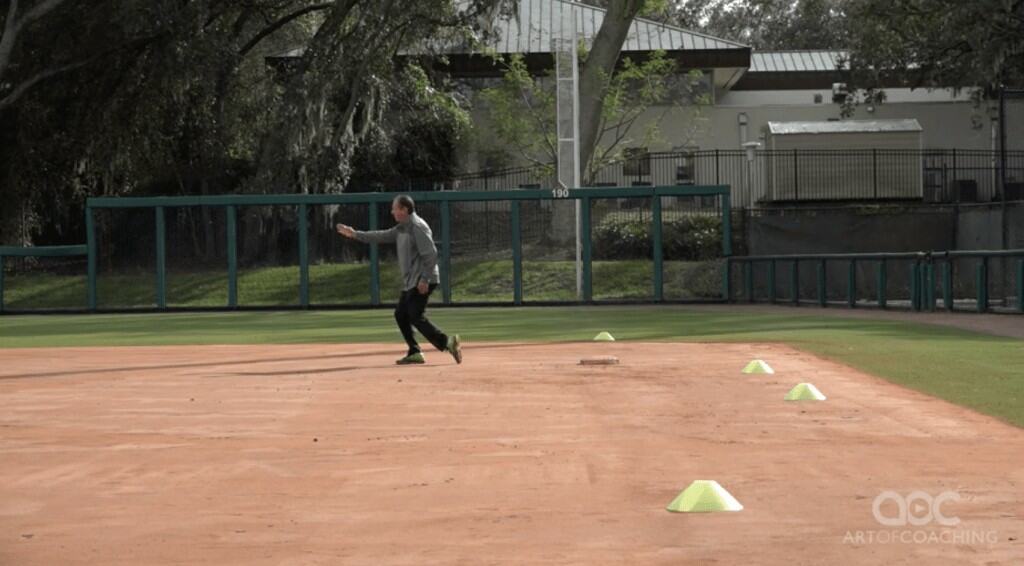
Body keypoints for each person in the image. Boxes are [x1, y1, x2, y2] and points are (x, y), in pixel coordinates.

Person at [336, 195, 462, 365]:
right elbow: (381, 235)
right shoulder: (402, 228)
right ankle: (414, 351)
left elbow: (431, 255)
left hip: (423, 279)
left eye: (395, 208)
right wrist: (355, 234)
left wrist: (424, 279)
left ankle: (448, 342)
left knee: (415, 315)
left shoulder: (417, 227)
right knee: (401, 314)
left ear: (404, 210)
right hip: (413, 281)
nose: (392, 211)